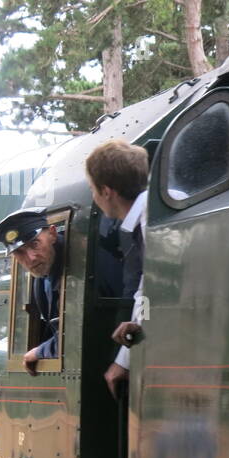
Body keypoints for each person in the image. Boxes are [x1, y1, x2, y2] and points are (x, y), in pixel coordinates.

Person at [84, 138, 149, 398]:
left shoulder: (149, 221)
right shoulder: (147, 215)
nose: (94, 196)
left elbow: (154, 288)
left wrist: (123, 361)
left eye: (93, 189)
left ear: (107, 191)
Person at [0, 208, 63, 375]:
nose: (30, 258)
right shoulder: (41, 278)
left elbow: (80, 333)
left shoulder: (80, 265)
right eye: (19, 252)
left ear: (52, 233)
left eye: (35, 244)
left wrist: (40, 352)